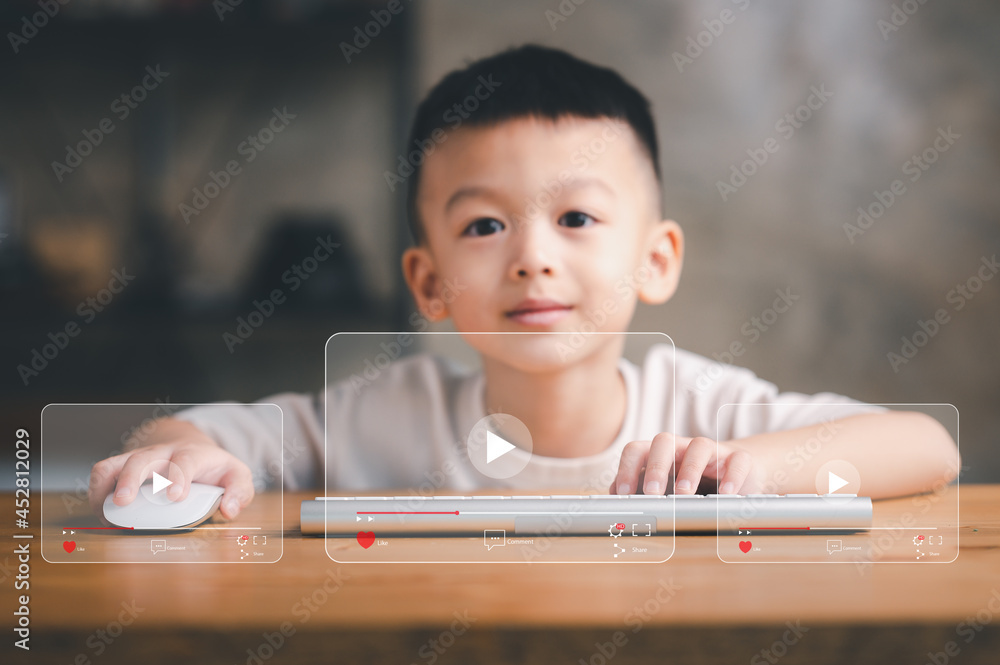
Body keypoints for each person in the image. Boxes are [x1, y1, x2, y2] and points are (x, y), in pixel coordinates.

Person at [88, 45, 959, 520]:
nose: (532, 258)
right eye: (484, 226)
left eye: (576, 219)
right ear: (428, 281)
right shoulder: (394, 413)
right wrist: (182, 449)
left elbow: (927, 446)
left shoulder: (707, 414)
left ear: (656, 260)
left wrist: (750, 469)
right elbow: (213, 432)